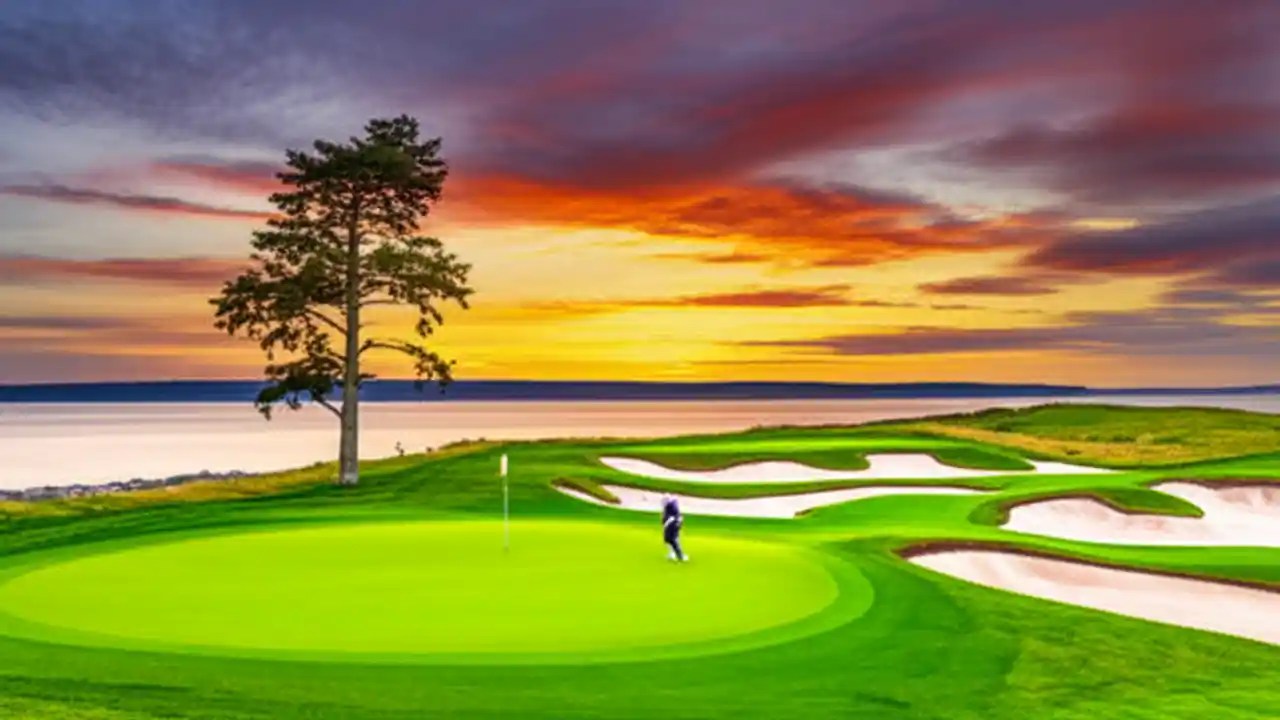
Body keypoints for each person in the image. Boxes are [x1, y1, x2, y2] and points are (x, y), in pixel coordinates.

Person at [661, 494, 688, 562]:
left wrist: (666, 523)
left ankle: (680, 556)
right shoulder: (669, 506)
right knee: (668, 540)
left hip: (673, 524)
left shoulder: (671, 506)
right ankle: (672, 554)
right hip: (672, 524)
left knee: (673, 540)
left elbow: (674, 517)